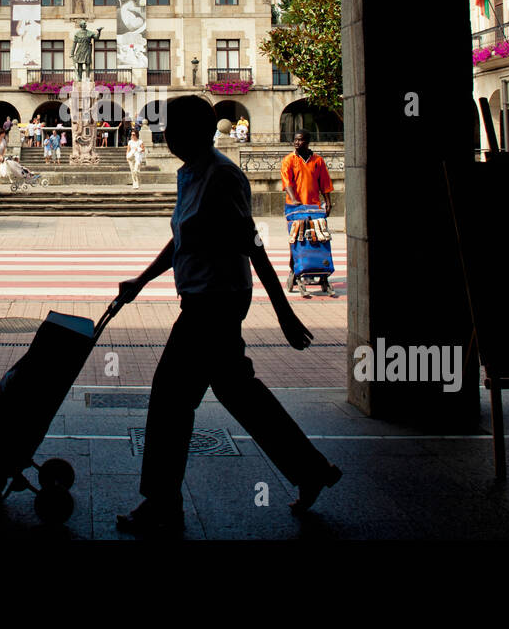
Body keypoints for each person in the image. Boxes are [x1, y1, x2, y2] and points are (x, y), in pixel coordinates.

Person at [113, 95, 342, 535]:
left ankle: (162, 503)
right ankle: (311, 469)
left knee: (169, 400)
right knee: (240, 393)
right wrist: (140, 281)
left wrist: (284, 314)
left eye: (172, 128)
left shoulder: (221, 176)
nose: (165, 136)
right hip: (202, 299)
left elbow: (251, 244)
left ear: (198, 130)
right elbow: (183, 239)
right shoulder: (190, 174)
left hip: (214, 305)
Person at [281, 130, 335, 297]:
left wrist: (328, 201)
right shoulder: (289, 160)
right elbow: (287, 182)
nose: (297, 143)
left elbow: (324, 182)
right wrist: (294, 198)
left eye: (301, 140)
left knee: (318, 238)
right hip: (295, 207)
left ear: (308, 142)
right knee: (297, 239)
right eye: (295, 140)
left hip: (313, 206)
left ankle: (321, 274)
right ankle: (296, 271)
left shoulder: (317, 160)